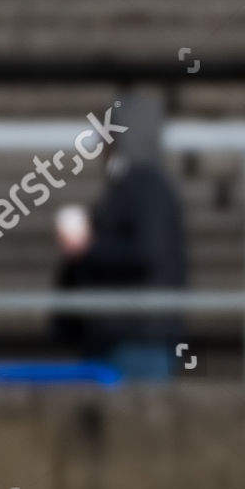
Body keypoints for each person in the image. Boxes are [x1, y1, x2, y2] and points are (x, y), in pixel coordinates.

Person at [54, 92, 187, 383]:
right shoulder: (133, 186)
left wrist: (87, 249)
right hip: (126, 335)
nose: (102, 144)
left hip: (135, 339)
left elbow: (146, 251)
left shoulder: (145, 186)